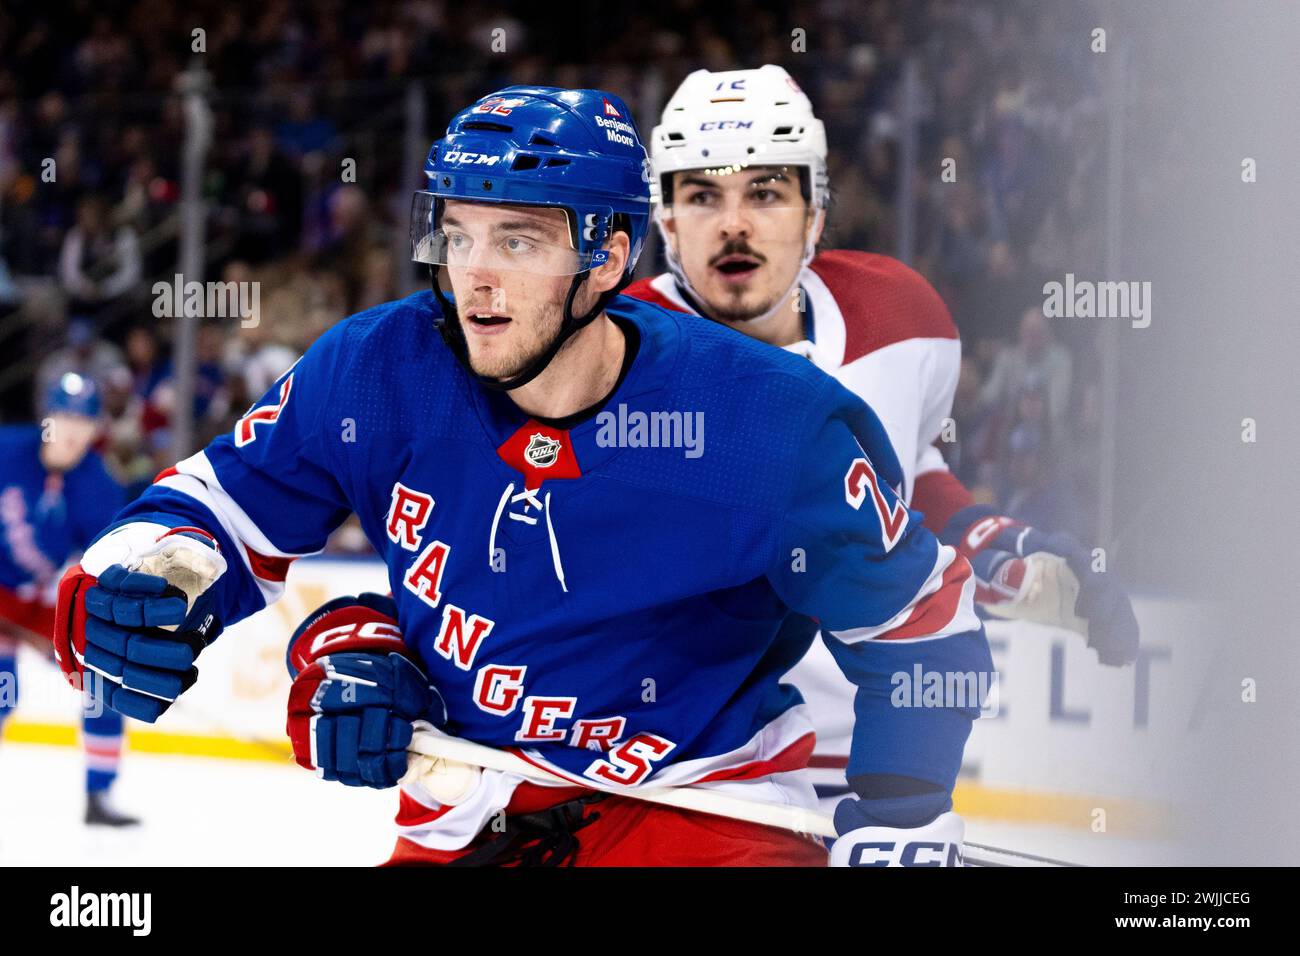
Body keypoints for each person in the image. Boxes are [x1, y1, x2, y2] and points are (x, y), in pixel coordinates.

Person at [50, 86, 992, 867]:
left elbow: (923, 625)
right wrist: (142, 573)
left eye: (520, 240)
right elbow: (214, 509)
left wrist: (904, 811)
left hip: (705, 811)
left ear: (608, 258)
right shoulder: (381, 370)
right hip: (469, 801)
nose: (476, 278)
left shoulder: (768, 424)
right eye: (458, 236)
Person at [625, 65, 1138, 802]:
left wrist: (991, 546)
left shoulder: (904, 322)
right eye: (703, 195)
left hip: (877, 771)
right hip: (684, 785)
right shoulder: (615, 358)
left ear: (814, 215)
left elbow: (903, 472)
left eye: (765, 191)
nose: (733, 223)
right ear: (667, 221)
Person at [0, 373, 137, 826]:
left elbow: (99, 567)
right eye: (63, 417)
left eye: (84, 419)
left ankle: (99, 794)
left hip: (38, 599)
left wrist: (72, 632)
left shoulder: (98, 487)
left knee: (102, 678)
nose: (72, 430)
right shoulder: (6, 450)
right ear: (46, 419)